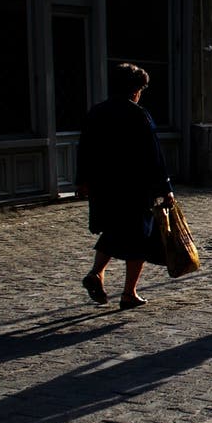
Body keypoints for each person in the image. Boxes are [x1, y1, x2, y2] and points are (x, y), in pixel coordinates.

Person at [76, 62, 174, 310]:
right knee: (140, 239)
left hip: (104, 187)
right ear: (134, 90)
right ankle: (129, 292)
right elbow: (154, 155)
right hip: (134, 188)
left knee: (113, 231)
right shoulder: (138, 115)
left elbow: (84, 149)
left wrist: (82, 180)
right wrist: (165, 187)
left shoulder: (96, 113)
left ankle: (97, 273)